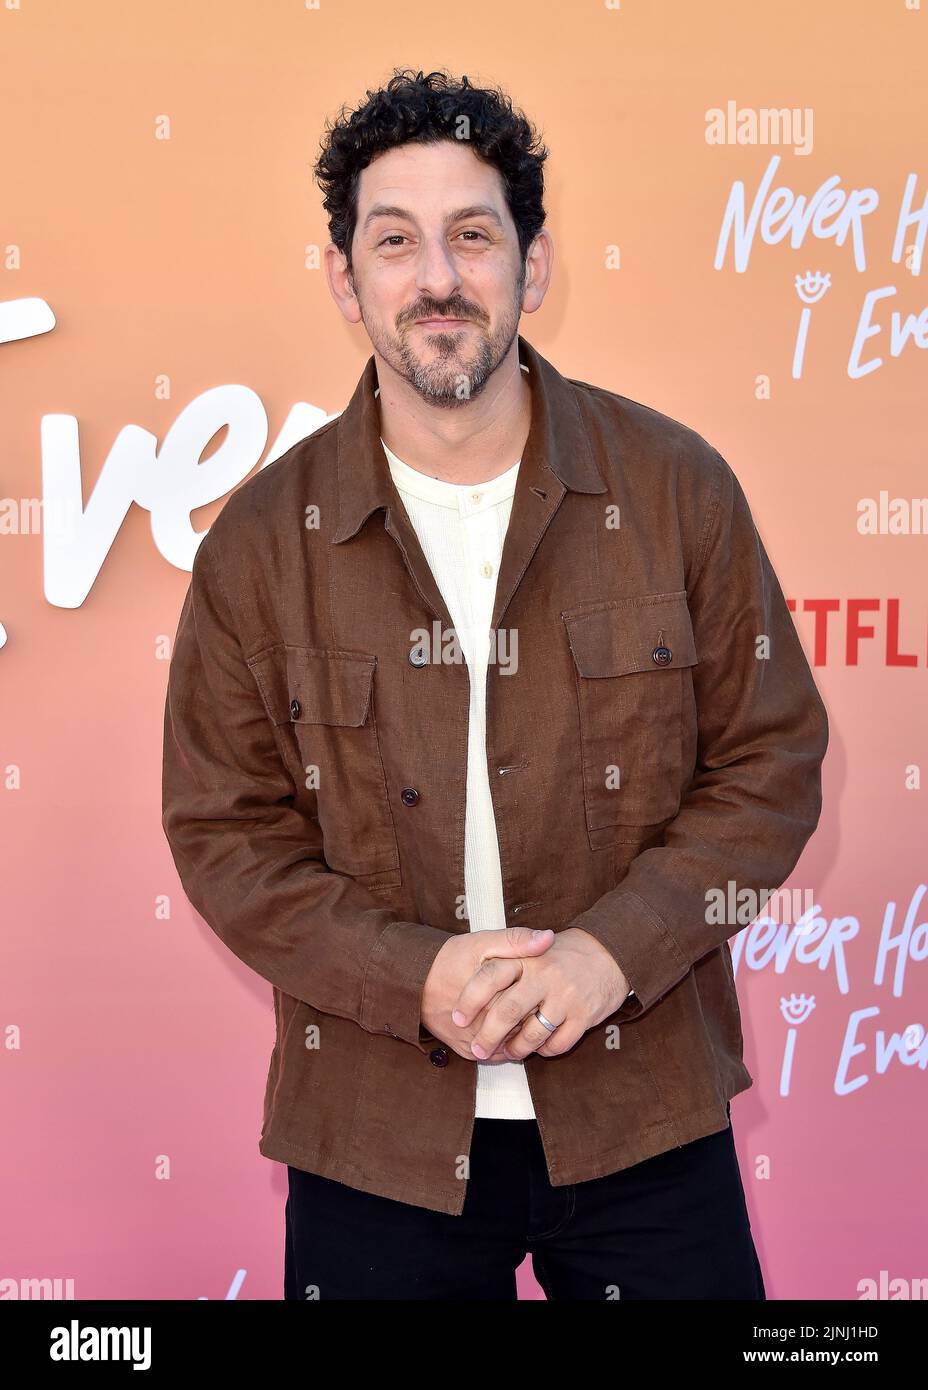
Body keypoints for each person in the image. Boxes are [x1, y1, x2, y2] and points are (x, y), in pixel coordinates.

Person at [161, 68, 829, 1300]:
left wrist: (607, 956)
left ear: (534, 262)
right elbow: (225, 834)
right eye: (395, 241)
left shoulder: (676, 487)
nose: (437, 279)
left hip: (646, 1118)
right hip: (374, 1137)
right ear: (342, 277)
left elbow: (771, 766)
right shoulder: (260, 543)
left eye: (474, 235)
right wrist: (407, 972)